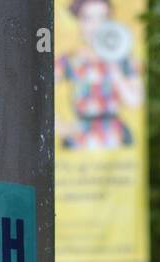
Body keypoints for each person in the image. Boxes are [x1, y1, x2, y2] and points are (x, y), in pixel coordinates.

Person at [55, 0, 144, 150]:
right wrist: (59, 127)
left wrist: (113, 66)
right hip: (79, 143)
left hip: (116, 141)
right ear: (79, 21)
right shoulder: (69, 60)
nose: (95, 25)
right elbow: (37, 93)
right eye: (88, 18)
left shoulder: (125, 60)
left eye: (102, 18)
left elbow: (134, 101)